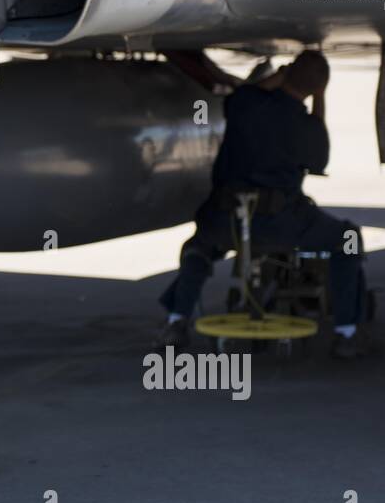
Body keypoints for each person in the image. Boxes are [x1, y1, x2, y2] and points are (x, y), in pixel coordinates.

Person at [157, 50, 374, 358]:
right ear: (317, 89)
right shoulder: (308, 126)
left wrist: (278, 78)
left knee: (197, 249)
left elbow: (244, 92)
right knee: (347, 239)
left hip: (225, 221)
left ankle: (176, 322)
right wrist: (318, 99)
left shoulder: (246, 103)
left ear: (285, 74)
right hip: (283, 224)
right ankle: (347, 333)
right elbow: (317, 159)